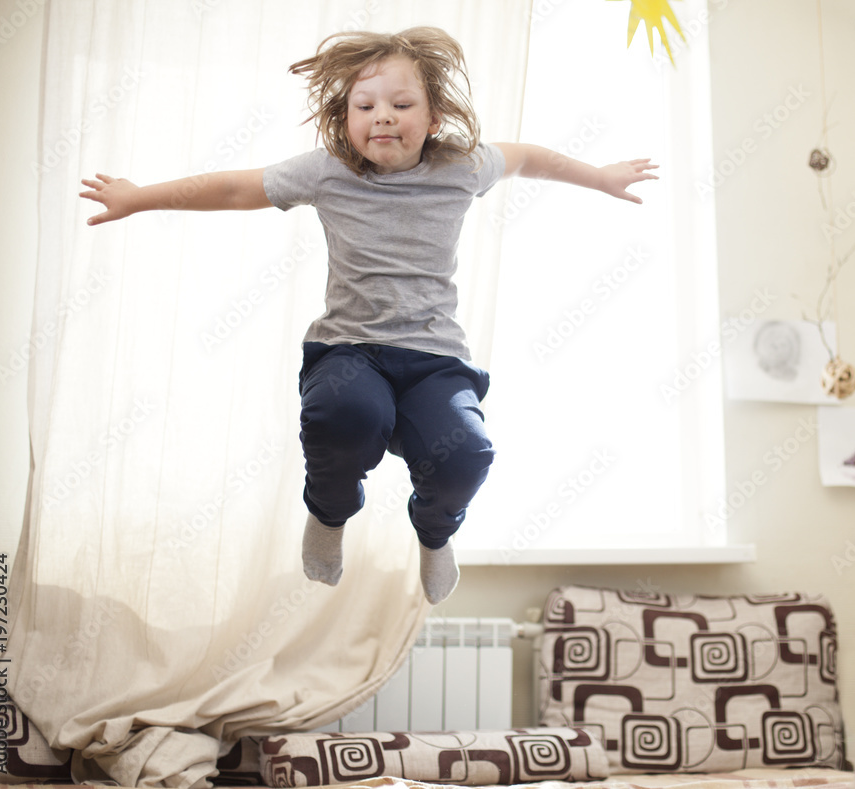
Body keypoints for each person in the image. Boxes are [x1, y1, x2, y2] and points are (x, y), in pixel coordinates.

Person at [79, 27, 659, 604]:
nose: (382, 116)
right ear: (346, 118)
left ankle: (435, 536)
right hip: (349, 350)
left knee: (466, 452)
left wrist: (600, 177)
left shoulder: (462, 166)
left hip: (435, 359)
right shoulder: (330, 170)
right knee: (345, 412)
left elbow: (530, 158)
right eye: (365, 106)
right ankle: (329, 517)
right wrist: (141, 195)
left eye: (401, 104)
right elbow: (235, 189)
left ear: (433, 118)